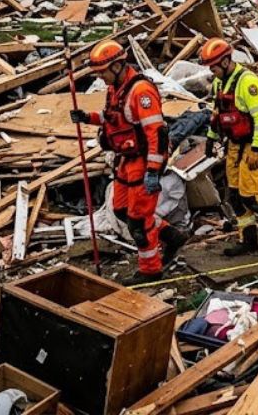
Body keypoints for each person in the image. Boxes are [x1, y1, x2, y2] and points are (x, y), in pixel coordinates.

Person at [71, 40, 184, 283]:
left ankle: (150, 269)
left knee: (139, 222)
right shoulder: (116, 88)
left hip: (144, 160)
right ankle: (171, 235)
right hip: (126, 159)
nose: (100, 78)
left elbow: (157, 134)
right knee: (121, 209)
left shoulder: (141, 92)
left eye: (103, 72)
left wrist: (153, 170)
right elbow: (112, 117)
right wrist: (87, 118)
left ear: (118, 65)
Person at [201, 38, 258, 256]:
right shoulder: (220, 83)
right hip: (233, 145)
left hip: (253, 145)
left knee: (251, 196)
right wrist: (211, 138)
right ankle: (248, 239)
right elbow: (218, 114)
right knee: (234, 195)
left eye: (213, 66)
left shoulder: (247, 82)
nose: (211, 71)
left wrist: (255, 148)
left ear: (225, 62)